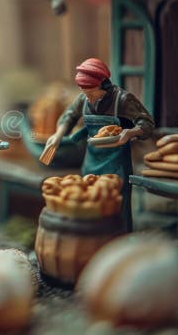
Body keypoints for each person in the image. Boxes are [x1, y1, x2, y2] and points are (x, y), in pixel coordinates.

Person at [43, 58, 154, 231]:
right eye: (84, 92)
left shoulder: (123, 99)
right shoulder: (83, 99)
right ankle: (94, 238)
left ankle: (119, 237)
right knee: (90, 200)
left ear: (103, 85)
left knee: (117, 201)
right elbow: (70, 115)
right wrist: (58, 135)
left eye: (91, 92)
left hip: (116, 161)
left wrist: (130, 133)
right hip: (92, 159)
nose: (88, 97)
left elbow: (147, 123)